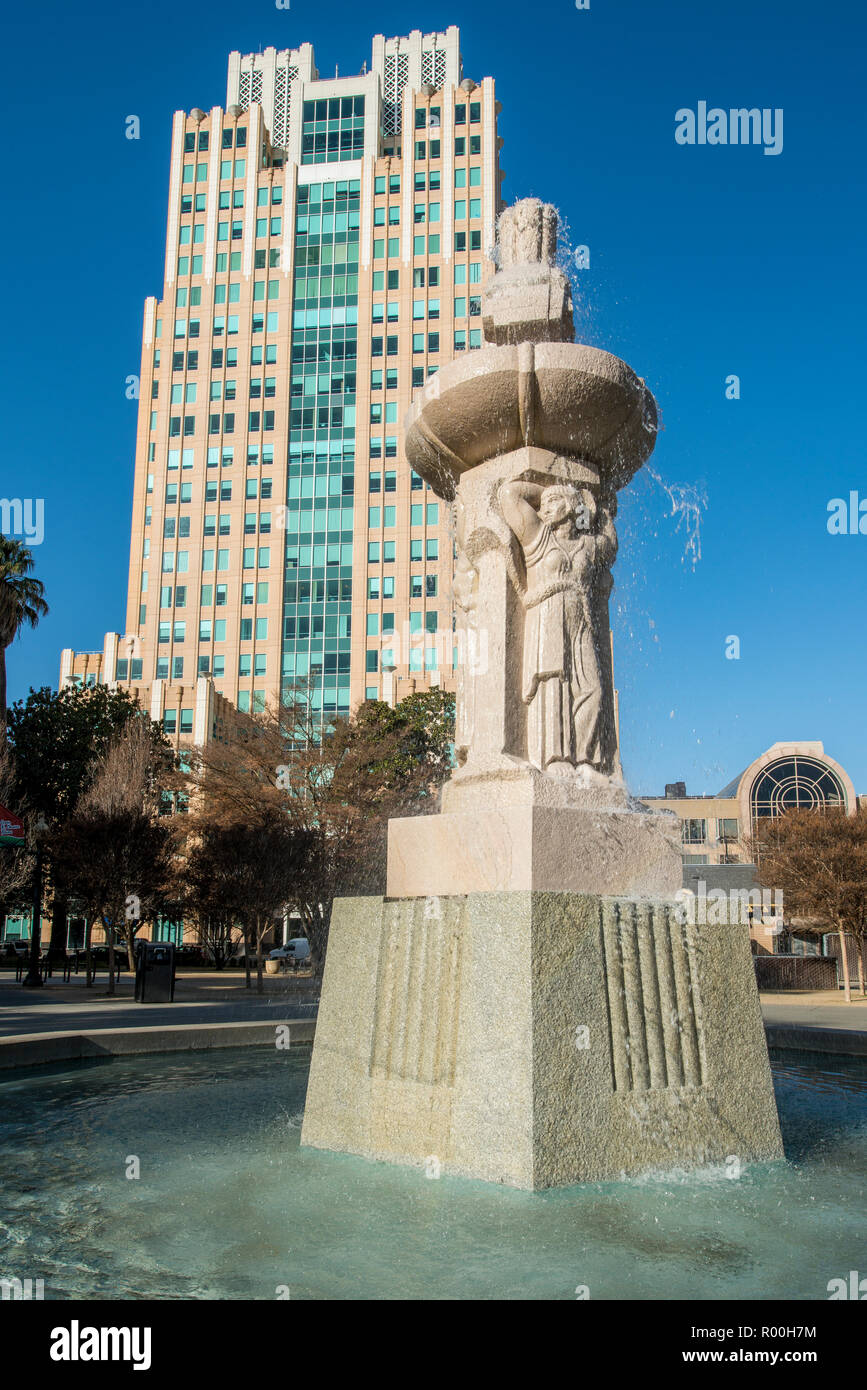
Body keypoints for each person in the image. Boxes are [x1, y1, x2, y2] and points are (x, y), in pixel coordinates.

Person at [498, 478, 616, 777]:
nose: (544, 509)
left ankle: (587, 760)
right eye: (544, 505)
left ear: (568, 509)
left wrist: (589, 506)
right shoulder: (538, 537)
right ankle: (555, 758)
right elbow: (508, 494)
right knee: (554, 685)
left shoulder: (586, 545)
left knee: (594, 690)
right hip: (549, 618)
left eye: (552, 504)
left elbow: (610, 546)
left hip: (581, 625)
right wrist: (547, 492)